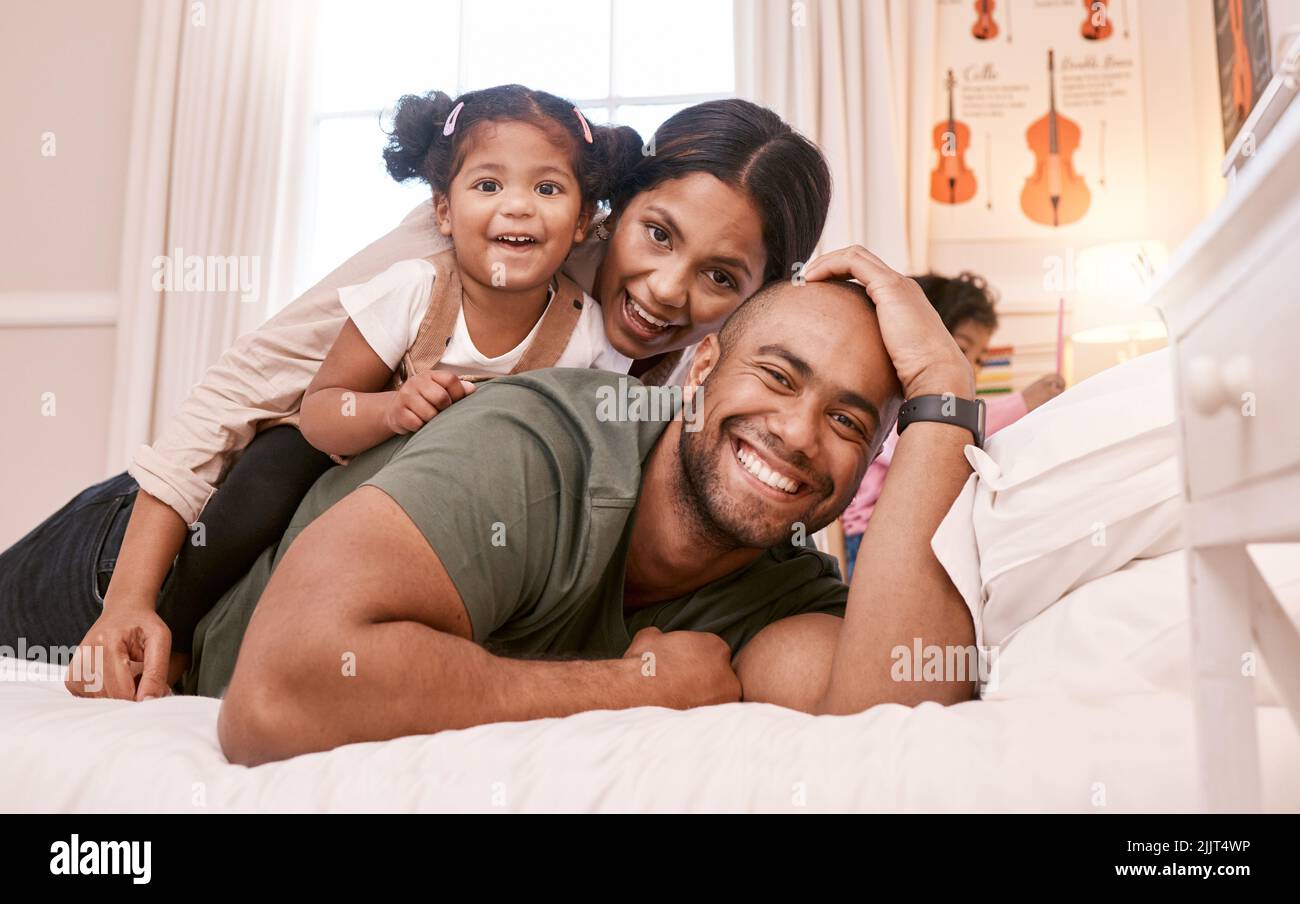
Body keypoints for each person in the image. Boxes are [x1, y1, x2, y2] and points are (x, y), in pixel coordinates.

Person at [0, 96, 832, 702]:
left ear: (762, 296)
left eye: (721, 278)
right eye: (657, 233)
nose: (667, 291)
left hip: (280, 601)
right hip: (158, 544)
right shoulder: (462, 250)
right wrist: (132, 603)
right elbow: (237, 400)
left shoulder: (699, 387)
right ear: (610, 209)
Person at [202, 252, 978, 766]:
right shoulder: (541, 441)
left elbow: (891, 742)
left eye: (847, 422)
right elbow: (273, 700)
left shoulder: (784, 595)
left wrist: (945, 389)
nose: (799, 435)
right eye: (777, 377)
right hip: (111, 572)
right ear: (700, 369)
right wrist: (633, 686)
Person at [839, 271, 1066, 576]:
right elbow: (932, 433)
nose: (969, 367)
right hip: (872, 539)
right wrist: (1022, 403)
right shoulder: (894, 400)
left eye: (980, 359)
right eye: (961, 349)